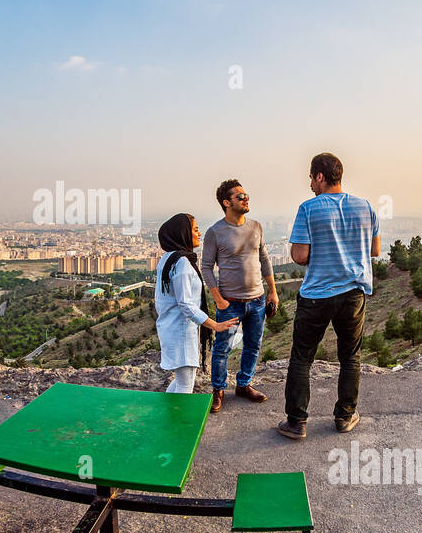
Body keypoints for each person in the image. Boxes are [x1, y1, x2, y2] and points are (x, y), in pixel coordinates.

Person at [277, 152, 379, 440]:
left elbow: (300, 255)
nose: (310, 183)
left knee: (301, 359)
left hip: (316, 295)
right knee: (350, 357)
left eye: (311, 177)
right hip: (353, 294)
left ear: (320, 176)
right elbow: (374, 250)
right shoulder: (365, 207)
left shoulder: (308, 208)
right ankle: (345, 417)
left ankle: (297, 422)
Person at [202, 179, 273, 412]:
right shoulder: (215, 232)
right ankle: (218, 389)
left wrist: (272, 291)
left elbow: (264, 260)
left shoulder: (256, 227)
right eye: (240, 196)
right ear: (226, 202)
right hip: (229, 302)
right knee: (223, 347)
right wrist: (218, 299)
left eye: (246, 195)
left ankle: (244, 385)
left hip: (258, 299)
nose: (246, 199)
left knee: (253, 344)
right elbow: (206, 267)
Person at [153, 213, 238, 395]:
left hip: (171, 328)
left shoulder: (168, 259)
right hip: (181, 331)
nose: (199, 234)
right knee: (185, 383)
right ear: (182, 233)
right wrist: (214, 325)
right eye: (195, 230)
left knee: (181, 379)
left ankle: (166, 416)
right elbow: (185, 304)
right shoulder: (182, 263)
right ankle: (178, 422)